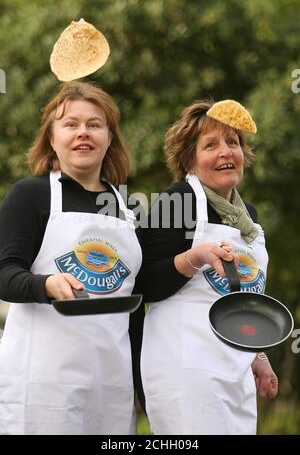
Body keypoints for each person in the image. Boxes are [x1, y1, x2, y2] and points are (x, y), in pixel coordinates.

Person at [0, 81, 143, 435]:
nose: (83, 133)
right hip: (42, 384)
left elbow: (136, 310)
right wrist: (46, 284)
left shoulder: (131, 209)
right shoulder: (30, 195)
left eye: (94, 124)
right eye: (70, 124)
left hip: (110, 386)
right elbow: (4, 272)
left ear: (110, 138)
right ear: (52, 138)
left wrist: (144, 389)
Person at [138, 100, 278, 435]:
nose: (226, 152)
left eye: (233, 142)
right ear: (189, 159)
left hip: (235, 368)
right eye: (210, 145)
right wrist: (195, 257)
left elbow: (242, 297)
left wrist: (257, 355)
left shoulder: (250, 220)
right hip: (186, 369)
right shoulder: (179, 201)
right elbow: (143, 282)